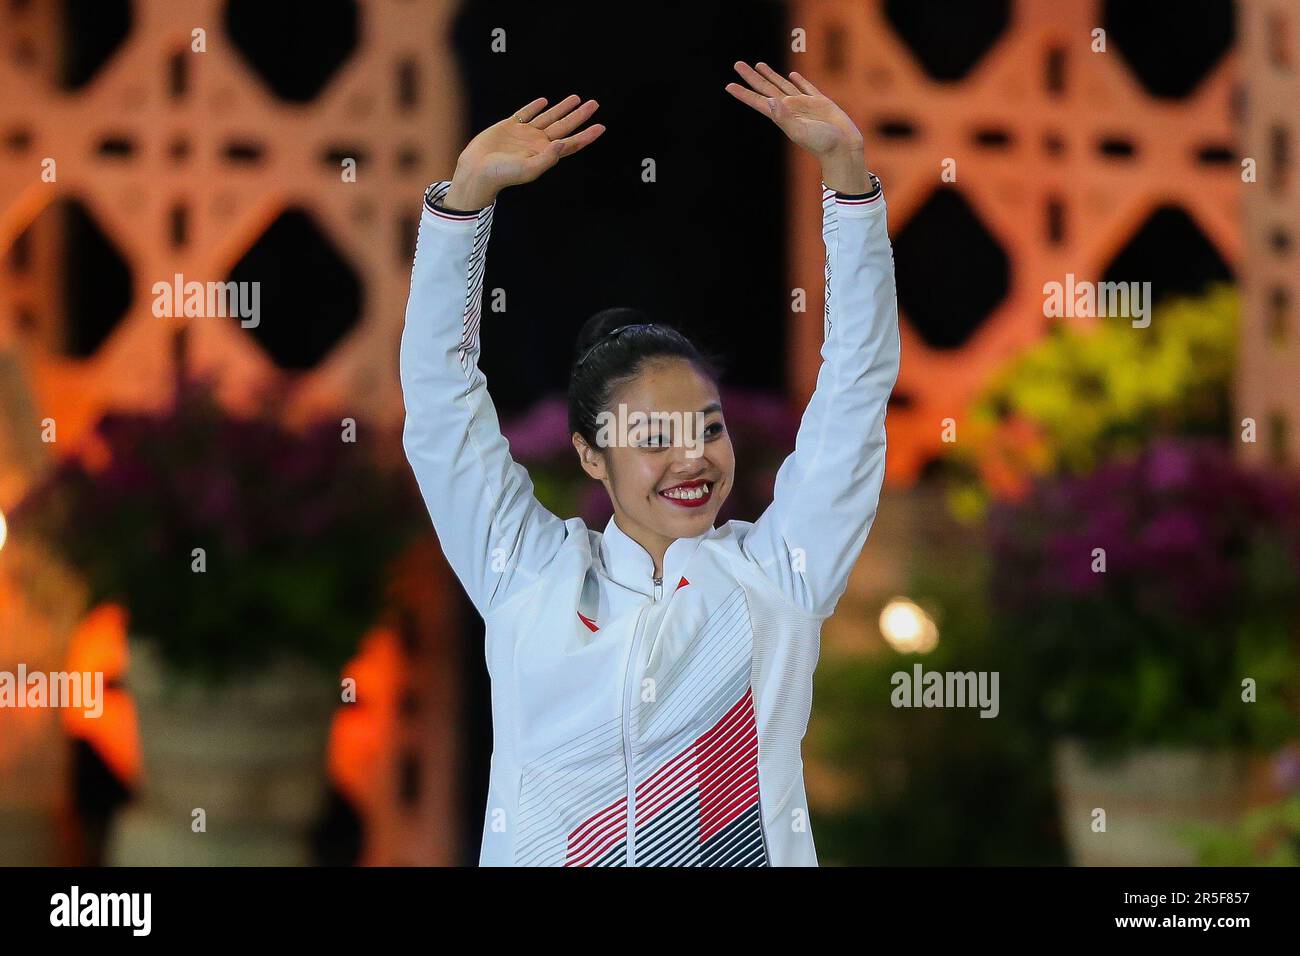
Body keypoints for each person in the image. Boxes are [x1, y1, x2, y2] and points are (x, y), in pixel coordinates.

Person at [400, 61, 900, 866]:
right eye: (655, 437)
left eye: (706, 427)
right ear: (591, 457)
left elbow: (855, 388)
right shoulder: (527, 576)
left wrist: (848, 184)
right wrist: (462, 207)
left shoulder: (779, 579)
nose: (693, 457)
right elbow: (439, 405)